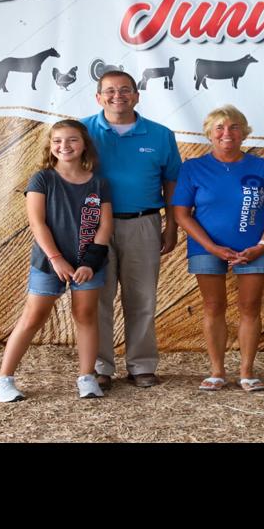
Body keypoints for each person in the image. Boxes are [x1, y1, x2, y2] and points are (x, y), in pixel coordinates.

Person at [170, 105, 264, 392]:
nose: (227, 133)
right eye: (220, 128)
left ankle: (247, 372)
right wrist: (211, 247)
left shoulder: (262, 167)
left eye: (234, 127)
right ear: (209, 134)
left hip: (253, 250)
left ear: (244, 133)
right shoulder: (192, 168)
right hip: (206, 249)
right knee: (213, 307)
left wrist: (262, 245)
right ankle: (217, 371)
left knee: (250, 308)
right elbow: (181, 214)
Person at [0, 120, 113, 402]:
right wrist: (57, 259)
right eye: (58, 140)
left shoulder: (99, 182)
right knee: (33, 317)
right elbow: (37, 223)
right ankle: (4, 379)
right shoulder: (43, 179)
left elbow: (104, 227)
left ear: (84, 145)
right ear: (50, 145)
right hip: (49, 263)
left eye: (72, 140)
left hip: (88, 264)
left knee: (85, 315)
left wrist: (90, 263)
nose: (64, 146)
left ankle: (87, 376)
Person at [81, 70, 180, 389]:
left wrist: (172, 225)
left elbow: (171, 183)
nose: (117, 95)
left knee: (142, 299)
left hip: (144, 223)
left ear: (137, 96)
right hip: (94, 227)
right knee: (99, 298)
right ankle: (100, 367)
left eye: (125, 90)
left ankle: (141, 365)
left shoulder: (160, 135)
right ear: (99, 97)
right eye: (109, 91)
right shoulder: (81, 131)